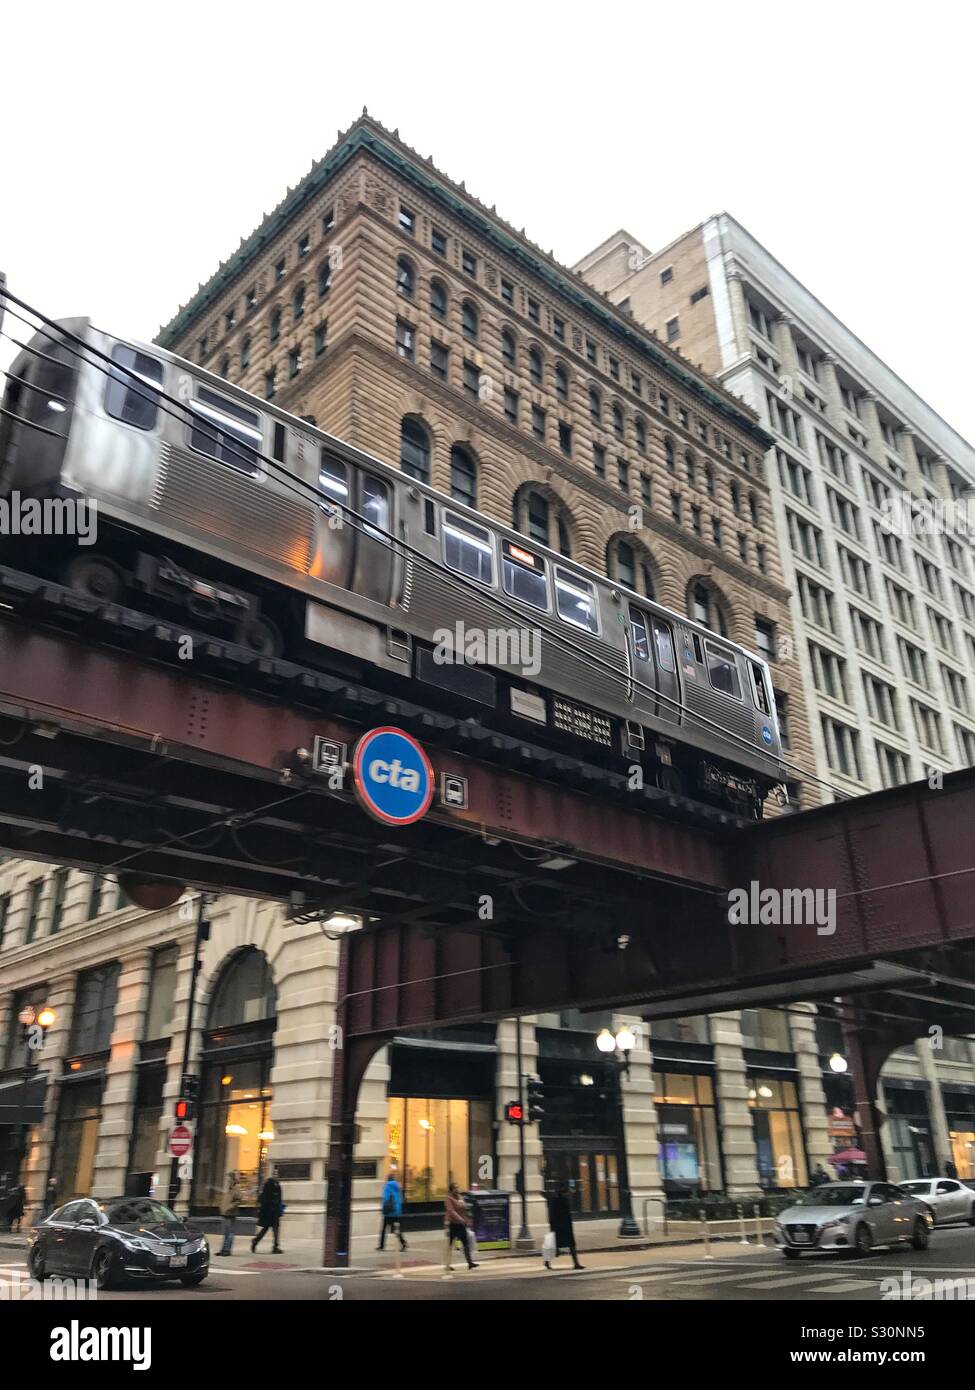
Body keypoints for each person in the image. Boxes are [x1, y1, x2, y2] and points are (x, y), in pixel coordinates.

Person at [544, 1185, 584, 1271]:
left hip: (563, 1226)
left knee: (569, 1245)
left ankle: (576, 1263)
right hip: (561, 1226)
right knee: (561, 1245)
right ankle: (547, 1261)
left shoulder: (558, 1201)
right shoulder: (558, 1202)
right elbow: (554, 1215)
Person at [444, 1182, 478, 1270]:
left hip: (461, 1224)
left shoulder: (460, 1197)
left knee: (465, 1243)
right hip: (452, 1224)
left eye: (458, 1187)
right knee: (449, 1245)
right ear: (451, 1190)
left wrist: (467, 1220)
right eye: (455, 1188)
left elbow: (464, 1210)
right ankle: (447, 1265)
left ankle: (470, 1263)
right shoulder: (448, 1199)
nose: (457, 1189)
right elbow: (451, 1211)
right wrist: (460, 1219)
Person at [251, 1170, 284, 1254]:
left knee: (276, 1229)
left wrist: (279, 1208)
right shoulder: (268, 1184)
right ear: (272, 1175)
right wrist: (265, 1210)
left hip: (275, 1211)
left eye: (277, 1174)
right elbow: (265, 1198)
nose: (276, 1176)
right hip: (268, 1211)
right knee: (265, 1229)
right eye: (275, 1174)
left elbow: (279, 1198)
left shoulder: (278, 1185)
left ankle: (275, 1247)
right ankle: (255, 1241)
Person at [378, 1171, 407, 1251]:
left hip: (389, 1211)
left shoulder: (387, 1186)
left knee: (384, 1229)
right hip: (396, 1211)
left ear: (388, 1179)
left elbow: (386, 1198)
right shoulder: (398, 1186)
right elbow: (401, 1199)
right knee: (396, 1229)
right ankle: (403, 1243)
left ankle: (381, 1246)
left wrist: (383, 1207)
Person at [218, 1171, 241, 1256]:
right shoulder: (228, 1188)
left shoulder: (236, 1188)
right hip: (225, 1213)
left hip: (231, 1214)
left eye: (228, 1179)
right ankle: (223, 1249)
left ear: (232, 1179)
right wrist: (222, 1207)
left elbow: (239, 1200)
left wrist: (230, 1206)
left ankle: (227, 1250)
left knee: (230, 1233)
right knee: (226, 1233)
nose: (227, 1181)